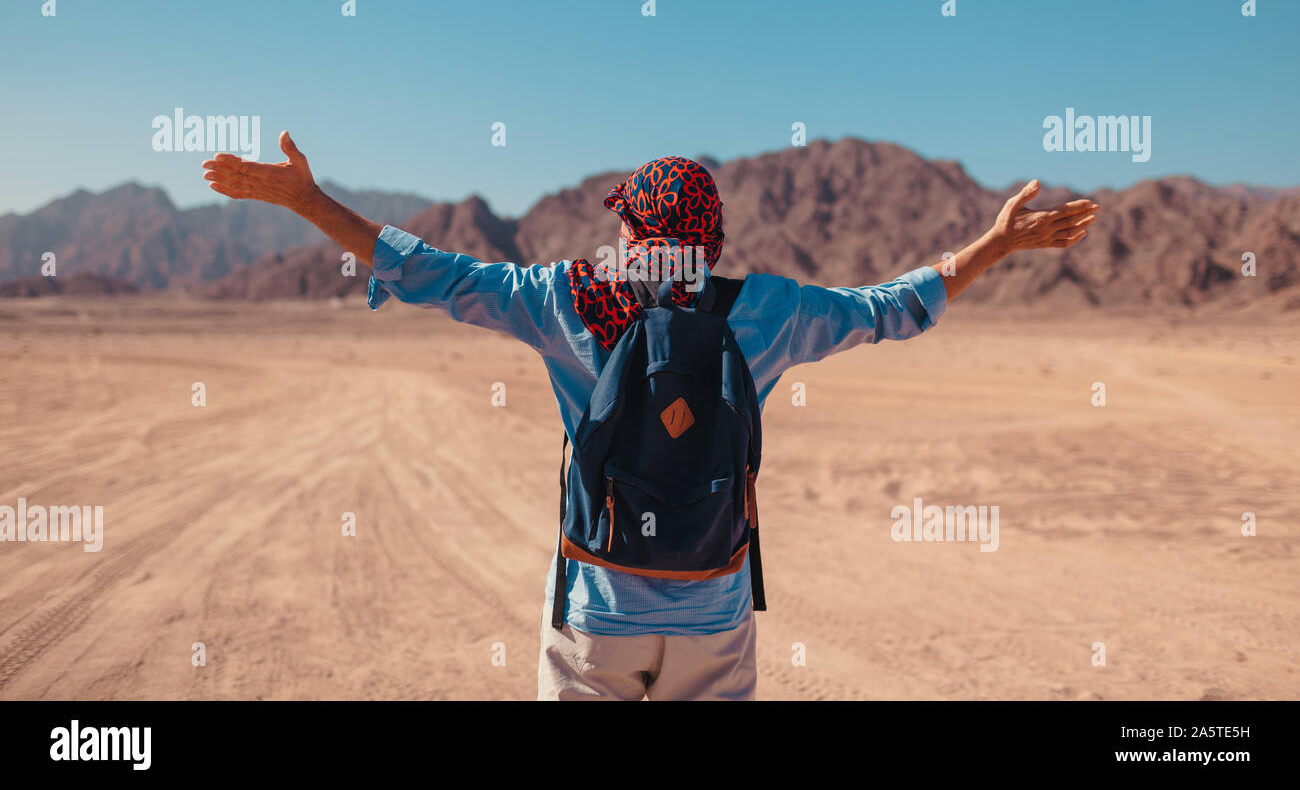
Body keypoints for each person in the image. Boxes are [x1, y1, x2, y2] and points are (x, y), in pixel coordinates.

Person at [202, 131, 1100, 700]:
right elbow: (890, 307)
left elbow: (437, 273)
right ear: (712, 242)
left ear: (631, 231)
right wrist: (999, 243)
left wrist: (309, 202)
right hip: (714, 614)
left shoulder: (565, 298)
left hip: (596, 613)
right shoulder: (768, 311)